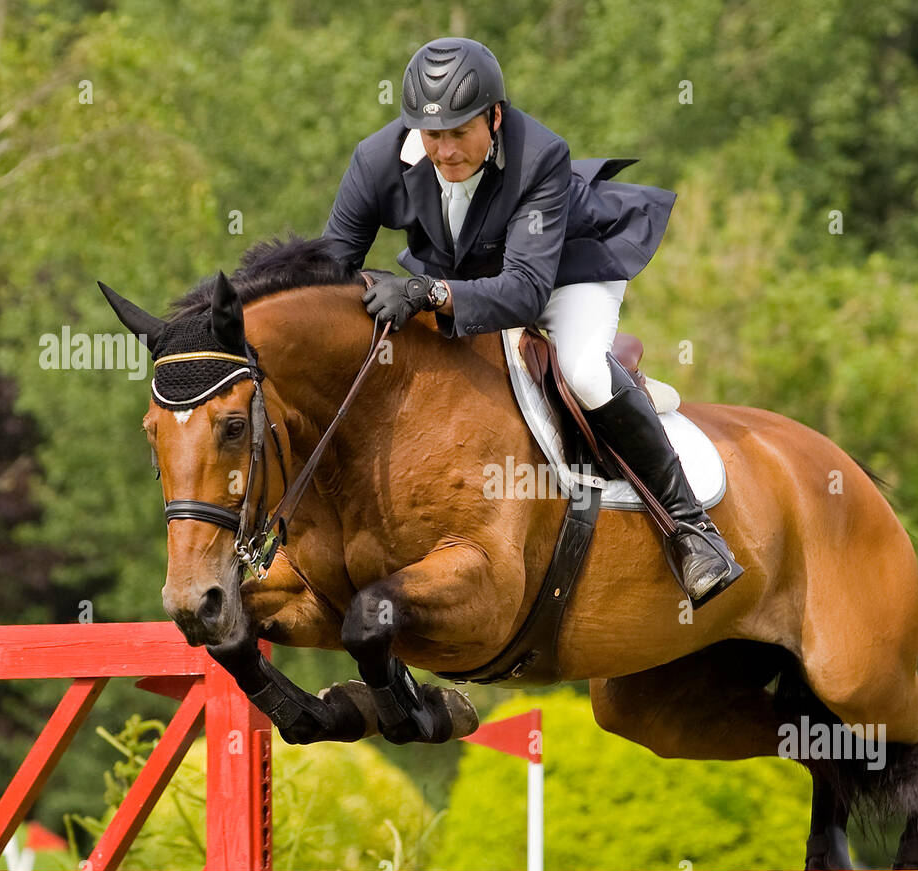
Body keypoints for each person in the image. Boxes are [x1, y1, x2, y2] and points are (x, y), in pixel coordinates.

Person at [317, 37, 743, 606]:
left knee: (585, 371)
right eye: (432, 134)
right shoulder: (377, 159)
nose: (444, 152)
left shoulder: (538, 155)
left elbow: (522, 291)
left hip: (562, 273)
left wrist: (427, 291)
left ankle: (693, 532)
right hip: (466, 276)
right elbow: (325, 270)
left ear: (494, 117)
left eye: (459, 132)